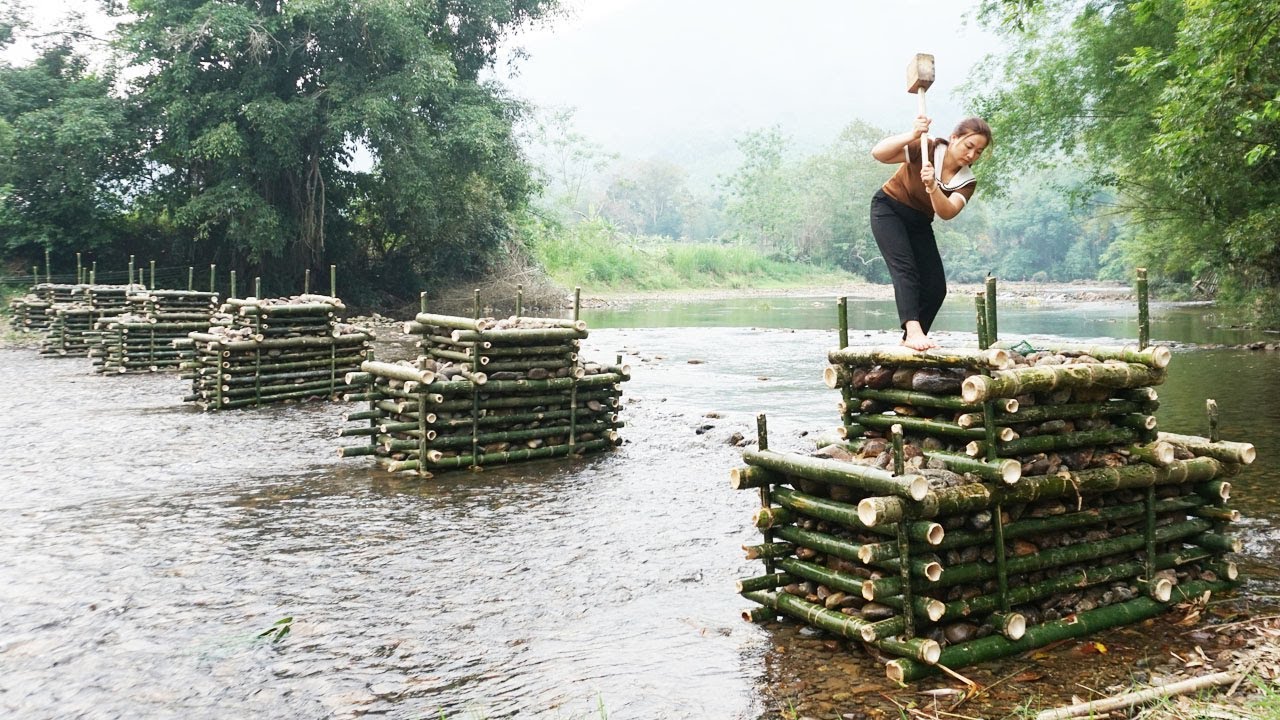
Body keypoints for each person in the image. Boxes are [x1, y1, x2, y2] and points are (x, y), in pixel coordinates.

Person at [869, 116, 991, 350]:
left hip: (920, 220)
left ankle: (909, 339)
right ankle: (913, 332)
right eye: (969, 146)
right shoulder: (927, 147)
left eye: (978, 152)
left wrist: (933, 187)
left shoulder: (967, 180)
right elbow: (879, 154)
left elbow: (948, 212)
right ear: (954, 138)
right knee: (906, 270)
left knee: (936, 287)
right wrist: (913, 134)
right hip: (889, 208)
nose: (971, 155)